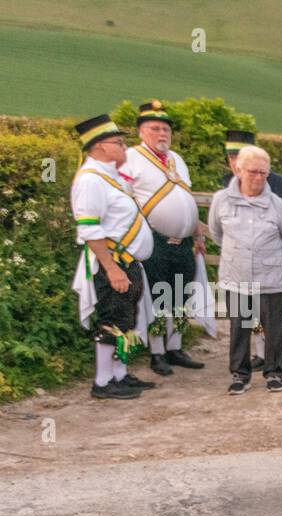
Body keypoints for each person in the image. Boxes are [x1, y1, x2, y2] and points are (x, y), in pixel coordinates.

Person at [69, 114, 156, 399]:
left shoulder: (110, 176)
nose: (123, 148)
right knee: (112, 322)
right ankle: (103, 382)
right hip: (113, 264)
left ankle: (120, 373)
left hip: (127, 262)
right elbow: (89, 229)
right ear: (99, 147)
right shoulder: (91, 180)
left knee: (125, 321)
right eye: (118, 143)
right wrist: (111, 268)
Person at [207, 145, 282, 394]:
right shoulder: (221, 200)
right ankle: (240, 374)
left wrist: (270, 258)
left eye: (263, 173)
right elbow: (216, 234)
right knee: (239, 326)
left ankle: (274, 372)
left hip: (271, 278)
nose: (258, 178)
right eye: (252, 172)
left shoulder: (278, 204)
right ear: (239, 170)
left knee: (273, 327)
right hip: (236, 276)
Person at [120, 100, 207, 376]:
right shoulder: (130, 158)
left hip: (183, 243)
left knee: (180, 297)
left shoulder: (176, 159)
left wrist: (197, 234)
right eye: (155, 128)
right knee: (157, 297)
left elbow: (187, 198)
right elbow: (123, 200)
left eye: (166, 129)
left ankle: (176, 346)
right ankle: (157, 352)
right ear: (141, 132)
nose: (162, 134)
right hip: (153, 241)